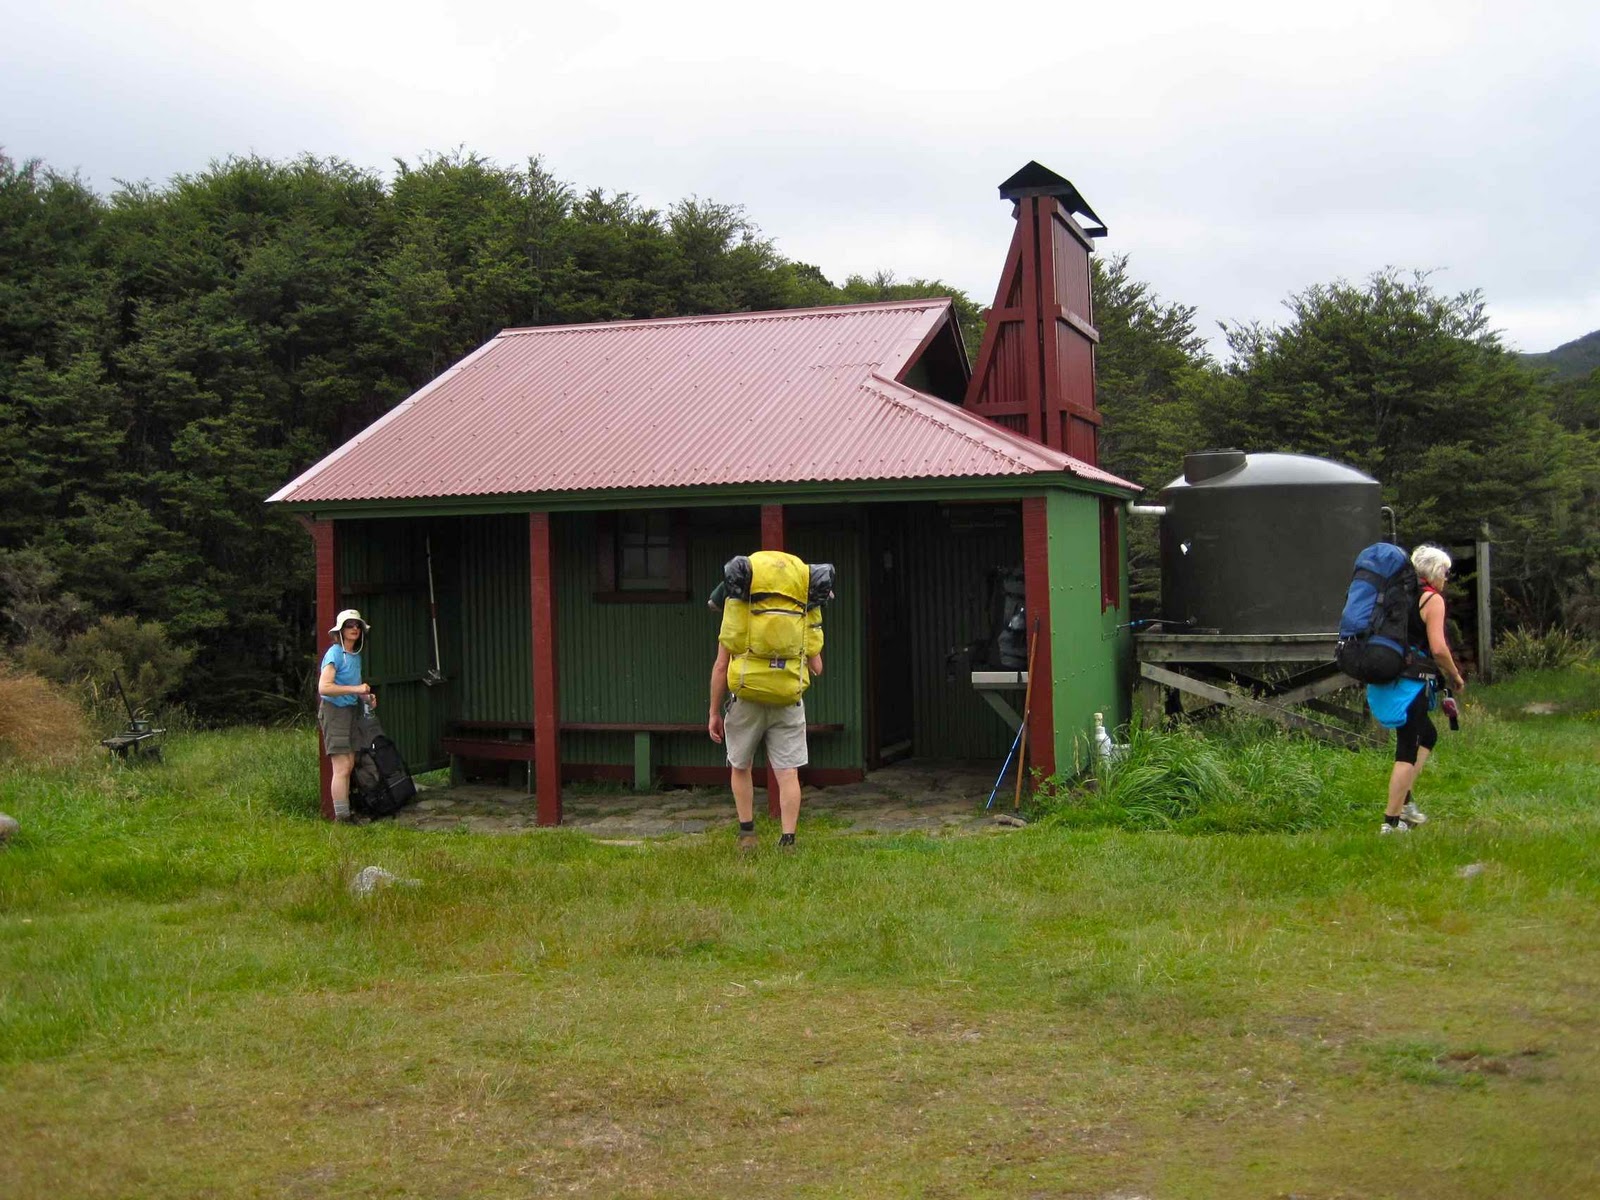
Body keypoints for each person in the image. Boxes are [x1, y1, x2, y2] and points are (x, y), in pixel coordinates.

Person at [707, 555, 826, 852]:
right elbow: (817, 667)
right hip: (787, 699)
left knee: (740, 765)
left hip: (746, 698)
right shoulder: (798, 611)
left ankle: (747, 834)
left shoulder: (739, 613)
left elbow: (721, 666)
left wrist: (713, 712)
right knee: (788, 773)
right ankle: (788, 840)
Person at [1369, 545, 1466, 835]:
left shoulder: (1399, 595)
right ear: (1435, 571)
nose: (1447, 579)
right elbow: (1437, 647)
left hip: (1391, 676)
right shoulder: (1432, 600)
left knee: (1428, 735)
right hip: (1411, 684)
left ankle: (1406, 802)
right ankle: (1391, 822)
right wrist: (1455, 675)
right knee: (1406, 750)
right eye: (1446, 573)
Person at [318, 608, 376, 823]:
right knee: (341, 768)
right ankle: (342, 819)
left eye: (357, 625)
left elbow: (354, 687)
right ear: (340, 631)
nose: (354, 629)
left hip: (351, 711)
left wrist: (366, 698)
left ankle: (347, 813)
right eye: (349, 625)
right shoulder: (334, 653)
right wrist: (356, 690)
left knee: (350, 764)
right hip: (335, 713)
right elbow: (324, 688)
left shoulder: (355, 656)